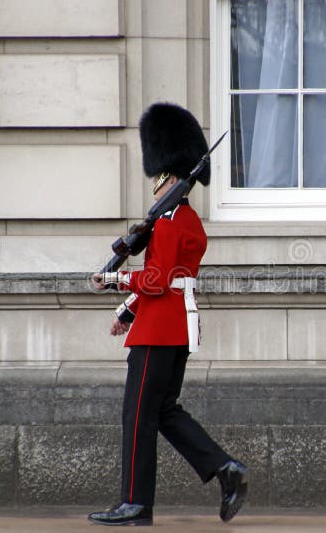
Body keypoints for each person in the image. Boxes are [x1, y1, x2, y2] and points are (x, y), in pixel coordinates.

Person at [88, 102, 248, 527]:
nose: (153, 189)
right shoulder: (184, 220)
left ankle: (136, 503)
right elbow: (169, 281)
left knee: (137, 415)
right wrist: (128, 311)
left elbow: (157, 279)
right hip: (172, 326)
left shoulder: (172, 222)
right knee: (164, 411)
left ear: (169, 178)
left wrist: (116, 282)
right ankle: (225, 469)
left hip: (158, 333)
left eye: (157, 180)